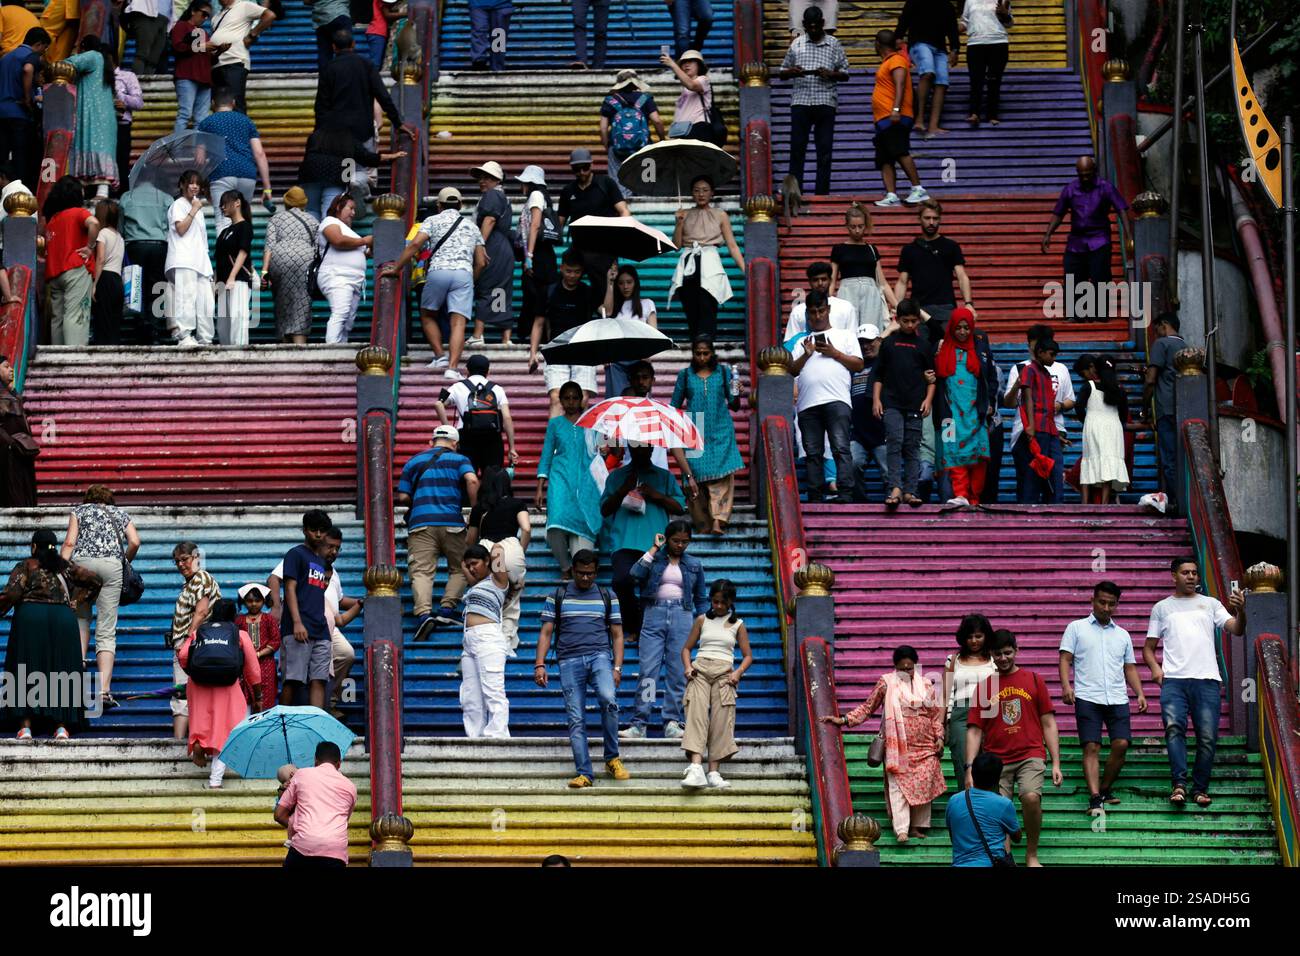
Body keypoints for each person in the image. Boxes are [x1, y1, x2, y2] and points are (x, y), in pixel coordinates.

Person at [1143, 556, 1246, 809]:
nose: (1191, 577)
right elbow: (1148, 648)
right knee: (1174, 730)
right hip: (1174, 682)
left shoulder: (1210, 604)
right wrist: (1157, 671)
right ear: (1173, 576)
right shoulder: (1162, 608)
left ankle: (1199, 789)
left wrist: (1241, 610)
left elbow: (1237, 629)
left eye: (1194, 573)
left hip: (1207, 680)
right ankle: (1179, 784)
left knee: (1208, 737)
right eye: (1185, 572)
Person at [825, 645, 947, 842]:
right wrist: (845, 720)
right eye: (901, 668)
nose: (905, 672)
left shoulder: (926, 685)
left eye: (909, 668)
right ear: (895, 667)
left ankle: (917, 826)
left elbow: (934, 716)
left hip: (924, 745)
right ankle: (901, 830)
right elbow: (868, 706)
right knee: (897, 786)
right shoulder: (886, 682)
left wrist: (939, 737)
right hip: (896, 745)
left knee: (923, 784)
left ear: (915, 666)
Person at [966, 629, 1062, 867]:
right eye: (998, 654)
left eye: (1008, 652)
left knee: (1030, 797)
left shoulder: (1033, 680)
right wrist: (969, 767)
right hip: (996, 760)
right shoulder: (986, 687)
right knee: (998, 809)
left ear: (1016, 651)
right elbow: (975, 730)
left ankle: (1031, 854)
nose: (1003, 658)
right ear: (991, 655)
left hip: (1030, 753)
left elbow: (1048, 722)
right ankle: (1006, 859)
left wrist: (1056, 761)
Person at [534, 548, 629, 788]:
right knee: (576, 718)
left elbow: (617, 635)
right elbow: (546, 633)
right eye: (580, 573)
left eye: (590, 573)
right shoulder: (557, 595)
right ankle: (585, 773)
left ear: (596, 572)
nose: (585, 578)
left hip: (600, 658)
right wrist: (540, 664)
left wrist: (617, 667)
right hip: (568, 661)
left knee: (609, 701)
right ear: (572, 571)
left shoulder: (608, 596)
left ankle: (612, 758)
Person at [2, 527, 100, 740]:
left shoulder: (27, 566)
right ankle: (61, 727)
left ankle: (25, 727)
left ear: (34, 547)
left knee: (25, 669)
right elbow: (95, 580)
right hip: (63, 620)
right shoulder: (66, 567)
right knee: (62, 670)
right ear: (55, 548)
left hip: (30, 620)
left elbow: (12, 593)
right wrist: (75, 602)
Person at [1060, 580, 1147, 814]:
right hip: (1088, 696)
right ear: (1092, 600)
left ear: (1117, 605)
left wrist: (1139, 693)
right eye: (1102, 602)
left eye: (1111, 604)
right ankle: (1095, 797)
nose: (1106, 608)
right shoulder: (1076, 628)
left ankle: (1105, 788)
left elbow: (1129, 667)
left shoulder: (1123, 635)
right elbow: (1065, 659)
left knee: (1121, 744)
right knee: (1092, 746)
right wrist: (1066, 686)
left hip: (1118, 697)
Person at [381, 186, 486, 377]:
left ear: (439, 205)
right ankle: (452, 369)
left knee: (428, 314)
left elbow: (414, 245)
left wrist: (397, 267)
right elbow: (480, 261)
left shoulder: (431, 220)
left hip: (438, 271)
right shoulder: (472, 226)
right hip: (463, 273)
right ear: (460, 204)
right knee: (458, 323)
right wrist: (471, 279)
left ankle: (440, 355)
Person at [620, 520, 709, 740]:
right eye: (676, 541)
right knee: (648, 671)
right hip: (653, 614)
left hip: (682, 616)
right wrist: (654, 548)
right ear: (667, 539)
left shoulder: (694, 564)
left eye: (685, 542)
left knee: (677, 672)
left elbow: (701, 598)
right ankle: (640, 723)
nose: (680, 545)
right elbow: (634, 574)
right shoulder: (654, 559)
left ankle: (671, 721)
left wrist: (706, 624)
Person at [396, 424, 480, 640]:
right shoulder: (460, 459)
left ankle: (424, 615)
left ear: (431, 441)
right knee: (462, 567)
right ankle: (446, 609)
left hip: (421, 522)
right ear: (455, 443)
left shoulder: (414, 461)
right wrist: (475, 510)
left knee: (422, 571)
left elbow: (403, 498)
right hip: (452, 521)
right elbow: (471, 479)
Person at [59, 484, 138, 707]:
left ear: (88, 498)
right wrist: (124, 562)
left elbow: (69, 542)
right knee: (106, 629)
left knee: (81, 618)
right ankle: (104, 691)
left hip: (83, 566)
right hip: (112, 567)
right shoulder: (119, 513)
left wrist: (62, 569)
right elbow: (135, 542)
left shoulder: (79, 511)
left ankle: (77, 674)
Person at [600, 444, 687, 646]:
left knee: (652, 587)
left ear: (651, 450)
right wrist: (623, 490)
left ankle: (645, 630)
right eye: (636, 447)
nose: (640, 451)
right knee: (622, 581)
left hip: (655, 542)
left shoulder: (664, 477)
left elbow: (680, 507)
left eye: (645, 448)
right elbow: (605, 509)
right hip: (624, 541)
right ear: (630, 447)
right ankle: (633, 625)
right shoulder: (617, 476)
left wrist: (657, 495)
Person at [177, 597, 260, 787]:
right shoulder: (238, 634)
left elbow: (182, 655)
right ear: (234, 616)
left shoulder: (200, 632)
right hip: (227, 686)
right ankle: (215, 781)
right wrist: (258, 696)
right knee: (229, 731)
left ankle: (198, 741)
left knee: (203, 720)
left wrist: (194, 673)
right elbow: (253, 670)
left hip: (198, 685)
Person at [312, 27, 417, 172]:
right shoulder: (366, 65)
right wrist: (397, 122)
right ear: (354, 44)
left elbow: (321, 106)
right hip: (363, 132)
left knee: (343, 176)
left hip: (337, 135)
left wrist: (319, 136)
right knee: (361, 174)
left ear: (334, 47)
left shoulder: (328, 69)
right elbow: (383, 96)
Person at [680, 578, 751, 788]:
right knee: (696, 715)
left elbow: (748, 656)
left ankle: (713, 773)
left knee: (722, 720)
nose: (718, 606)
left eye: (722, 602)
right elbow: (686, 649)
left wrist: (738, 672)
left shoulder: (738, 624)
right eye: (715, 601)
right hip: (700, 671)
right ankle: (695, 768)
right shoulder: (702, 620)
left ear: (730, 602)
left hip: (724, 675)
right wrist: (687, 667)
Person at [794, 290, 863, 503]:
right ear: (807, 313)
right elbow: (792, 370)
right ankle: (814, 497)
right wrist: (807, 355)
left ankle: (845, 494)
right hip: (807, 405)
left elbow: (859, 364)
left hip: (838, 401)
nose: (817, 316)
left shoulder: (846, 336)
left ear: (829, 310)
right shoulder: (801, 342)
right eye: (813, 312)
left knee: (841, 448)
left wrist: (835, 353)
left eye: (821, 311)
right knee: (812, 453)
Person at [1041, 156, 1128, 319]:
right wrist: (1048, 234)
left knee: (1100, 277)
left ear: (1094, 171)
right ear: (1077, 173)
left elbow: (1121, 209)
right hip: (1077, 241)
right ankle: (1076, 313)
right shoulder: (1070, 189)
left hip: (1099, 239)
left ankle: (1100, 313)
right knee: (1072, 276)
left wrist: (1129, 236)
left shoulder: (1106, 187)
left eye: (1088, 174)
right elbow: (1058, 213)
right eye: (1082, 175)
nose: (1085, 178)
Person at [672, 335, 742, 534]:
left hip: (720, 429)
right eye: (698, 353)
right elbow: (675, 406)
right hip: (695, 429)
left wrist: (738, 393)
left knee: (721, 480)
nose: (702, 357)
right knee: (696, 477)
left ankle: (718, 520)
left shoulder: (723, 373)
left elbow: (735, 406)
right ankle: (704, 523)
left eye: (706, 353)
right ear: (693, 354)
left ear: (712, 353)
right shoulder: (685, 375)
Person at [778, 6, 849, 197]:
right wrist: (792, 72)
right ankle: (795, 194)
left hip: (825, 102)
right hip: (801, 103)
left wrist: (830, 74)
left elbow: (845, 74)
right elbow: (782, 72)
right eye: (809, 27)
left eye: (817, 26)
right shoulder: (797, 44)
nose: (814, 30)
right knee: (797, 150)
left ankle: (822, 195)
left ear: (823, 24)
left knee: (824, 152)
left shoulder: (834, 44)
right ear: (803, 26)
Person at [536, 381, 603, 578]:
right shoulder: (555, 424)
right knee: (555, 525)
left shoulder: (593, 423)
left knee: (583, 550)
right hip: (560, 481)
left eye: (575, 397)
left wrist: (608, 447)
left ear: (582, 399)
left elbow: (609, 451)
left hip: (587, 484)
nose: (572, 401)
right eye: (567, 398)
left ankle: (577, 571)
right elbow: (546, 454)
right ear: (561, 400)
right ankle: (565, 567)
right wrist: (540, 487)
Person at [1002, 323, 1074, 501]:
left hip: (1052, 430)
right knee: (1029, 482)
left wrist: (1059, 408)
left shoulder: (1057, 370)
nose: (1035, 347)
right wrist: (1031, 427)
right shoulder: (1022, 368)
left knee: (1053, 480)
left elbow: (1071, 399)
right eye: (1033, 343)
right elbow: (1013, 402)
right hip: (1027, 431)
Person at [872, 299, 932, 507]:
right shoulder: (889, 343)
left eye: (914, 321)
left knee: (912, 447)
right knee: (894, 443)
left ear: (918, 321)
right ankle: (895, 488)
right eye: (905, 321)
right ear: (897, 320)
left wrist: (928, 399)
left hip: (915, 403)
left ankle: (910, 490)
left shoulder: (924, 345)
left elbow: (932, 376)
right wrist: (876, 400)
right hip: (891, 403)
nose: (909, 325)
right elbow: (878, 374)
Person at [669, 175, 744, 341]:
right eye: (696, 191)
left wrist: (745, 269)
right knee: (690, 304)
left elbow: (732, 245)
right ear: (691, 194)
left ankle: (707, 342)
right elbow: (676, 246)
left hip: (710, 262)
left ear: (712, 193)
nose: (701, 194)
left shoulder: (720, 215)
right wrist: (679, 223)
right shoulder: (684, 214)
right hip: (688, 262)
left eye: (705, 190)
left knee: (708, 304)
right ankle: (695, 342)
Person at [933, 307, 992, 506]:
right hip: (948, 415)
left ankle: (974, 497)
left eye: (967, 328)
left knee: (978, 456)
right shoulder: (941, 351)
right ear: (951, 328)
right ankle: (960, 495)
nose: (963, 332)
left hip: (975, 412)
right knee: (951, 452)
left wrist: (989, 403)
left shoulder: (980, 351)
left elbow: (990, 380)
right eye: (958, 328)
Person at [556, 146, 629, 307]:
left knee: (605, 291)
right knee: (566, 286)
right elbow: (558, 224)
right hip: (578, 250)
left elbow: (624, 211)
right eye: (577, 169)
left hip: (603, 251)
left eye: (585, 168)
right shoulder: (568, 191)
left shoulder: (605, 184)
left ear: (592, 165)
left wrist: (622, 238)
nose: (581, 172)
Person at [529, 248, 598, 416]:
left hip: (583, 350)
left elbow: (607, 312)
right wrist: (533, 353)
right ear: (561, 268)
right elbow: (538, 324)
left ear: (582, 271)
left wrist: (610, 283)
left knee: (582, 399)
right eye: (569, 271)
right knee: (556, 398)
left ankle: (580, 441)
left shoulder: (588, 292)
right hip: (556, 349)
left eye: (577, 272)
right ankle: (554, 441)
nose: (572, 275)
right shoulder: (549, 291)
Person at [456, 542, 514, 737]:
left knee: (493, 690)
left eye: (475, 563)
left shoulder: (498, 581)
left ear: (487, 561)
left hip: (488, 638)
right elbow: (463, 566)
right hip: (469, 642)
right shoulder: (475, 585)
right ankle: (475, 736)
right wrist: (467, 563)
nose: (471, 568)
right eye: (469, 565)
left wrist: (491, 546)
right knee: (470, 696)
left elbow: (498, 549)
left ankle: (497, 735)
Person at [466, 466, 528, 649]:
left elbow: (470, 540)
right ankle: (506, 644)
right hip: (511, 548)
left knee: (489, 597)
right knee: (511, 601)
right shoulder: (518, 503)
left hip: (487, 550)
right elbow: (526, 528)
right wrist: (520, 550)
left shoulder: (479, 509)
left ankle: (487, 642)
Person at [893, 200, 973, 337]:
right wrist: (897, 309)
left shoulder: (951, 246)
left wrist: (969, 303)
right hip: (919, 311)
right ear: (919, 219)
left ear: (940, 219)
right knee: (922, 352)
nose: (931, 222)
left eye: (935, 218)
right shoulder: (909, 250)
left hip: (946, 309)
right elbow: (902, 281)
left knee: (946, 351)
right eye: (927, 218)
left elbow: (962, 276)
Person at [198, 89, 274, 232]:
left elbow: (199, 159)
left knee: (223, 222)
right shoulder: (246, 121)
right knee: (242, 219)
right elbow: (259, 153)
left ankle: (226, 254)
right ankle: (243, 253)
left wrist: (203, 185)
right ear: (233, 103)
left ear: (213, 104)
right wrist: (267, 188)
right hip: (247, 173)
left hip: (221, 172)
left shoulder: (206, 123)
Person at [278, 516, 333, 709]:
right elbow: (290, 588)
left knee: (319, 680)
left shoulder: (320, 561)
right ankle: (282, 723)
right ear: (304, 530)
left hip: (320, 629)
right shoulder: (295, 554)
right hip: (298, 628)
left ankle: (316, 723)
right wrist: (297, 622)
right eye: (313, 530)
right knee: (293, 680)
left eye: (322, 531)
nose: (318, 534)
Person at [274, 741, 357, 867]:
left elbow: (279, 815)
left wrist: (297, 825)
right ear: (339, 764)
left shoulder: (301, 774)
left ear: (315, 761)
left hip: (303, 847)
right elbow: (344, 819)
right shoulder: (351, 787)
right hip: (335, 852)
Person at [169, 540, 221, 740]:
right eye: (177, 561)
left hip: (193, 646)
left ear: (196, 557)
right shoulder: (191, 583)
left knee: (183, 693)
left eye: (185, 559)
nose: (181, 564)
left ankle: (183, 742)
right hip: (190, 645)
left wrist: (188, 640)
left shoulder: (201, 578)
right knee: (184, 693)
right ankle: (183, 741)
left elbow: (201, 611)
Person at [870, 30, 928, 208]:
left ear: (877, 44)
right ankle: (891, 194)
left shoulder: (896, 60)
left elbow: (901, 83)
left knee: (900, 151)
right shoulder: (887, 62)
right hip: (883, 119)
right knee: (884, 158)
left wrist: (896, 109)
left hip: (894, 117)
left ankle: (918, 189)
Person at [435, 353, 518, 475]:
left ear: (467, 370)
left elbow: (438, 404)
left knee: (467, 476)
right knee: (492, 479)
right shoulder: (497, 389)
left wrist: (449, 429)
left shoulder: (457, 387)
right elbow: (507, 418)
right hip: (492, 439)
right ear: (488, 371)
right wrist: (512, 448)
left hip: (466, 437)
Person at [43, 177, 101, 348]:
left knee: (58, 318)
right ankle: (73, 357)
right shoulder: (78, 212)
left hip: (55, 274)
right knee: (76, 314)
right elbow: (94, 223)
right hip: (75, 268)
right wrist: (90, 248)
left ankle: (58, 354)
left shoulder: (53, 219)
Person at [940, 614, 995, 785]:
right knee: (964, 768)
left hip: (990, 714)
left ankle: (988, 810)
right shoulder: (953, 659)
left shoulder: (995, 659)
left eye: (978, 636)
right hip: (960, 716)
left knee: (989, 768)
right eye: (969, 636)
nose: (974, 641)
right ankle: (966, 808)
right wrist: (940, 727)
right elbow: (944, 695)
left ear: (986, 636)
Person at [262, 186, 320, 343]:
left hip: (280, 258)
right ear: (304, 202)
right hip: (305, 259)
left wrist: (264, 271)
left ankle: (284, 343)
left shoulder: (276, 219)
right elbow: (317, 249)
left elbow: (269, 246)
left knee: (282, 301)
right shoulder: (313, 220)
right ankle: (300, 347)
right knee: (302, 302)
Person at [894, 0, 959, 138]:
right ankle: (919, 119)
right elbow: (904, 19)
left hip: (940, 48)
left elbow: (952, 28)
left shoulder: (947, 5)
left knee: (942, 83)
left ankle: (933, 126)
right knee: (928, 73)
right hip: (919, 42)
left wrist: (955, 49)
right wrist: (898, 37)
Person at [467, 160, 515, 347]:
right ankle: (506, 338)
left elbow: (489, 221)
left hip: (492, 246)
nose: (482, 181)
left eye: (488, 178)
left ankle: (478, 335)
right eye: (481, 178)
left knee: (486, 287)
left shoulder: (492, 195)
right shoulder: (501, 195)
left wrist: (479, 245)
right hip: (502, 248)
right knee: (501, 290)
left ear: (497, 180)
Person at [1013, 337, 1066, 503]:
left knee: (1055, 469)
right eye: (1052, 354)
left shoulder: (1046, 373)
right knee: (1035, 470)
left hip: (1050, 428)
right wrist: (1029, 425)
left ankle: (1056, 505)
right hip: (1037, 425)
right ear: (1040, 353)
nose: (1054, 358)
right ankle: (1030, 507)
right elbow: (1027, 398)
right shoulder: (1029, 370)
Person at [165, 170, 214, 347]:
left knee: (206, 302)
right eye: (191, 182)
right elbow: (181, 229)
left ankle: (205, 338)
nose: (194, 186)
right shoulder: (178, 205)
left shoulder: (198, 208)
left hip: (200, 261)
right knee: (186, 298)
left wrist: (208, 266)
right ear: (181, 185)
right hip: (184, 258)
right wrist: (193, 210)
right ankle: (184, 336)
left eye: (197, 183)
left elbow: (202, 239)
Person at [945, 752, 1020, 866]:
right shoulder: (1004, 804)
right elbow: (1017, 837)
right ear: (997, 778)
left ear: (973, 773)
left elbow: (953, 835)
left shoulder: (953, 801)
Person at [65, 35, 118, 196]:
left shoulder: (93, 56)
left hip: (93, 113)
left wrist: (74, 53)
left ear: (83, 47)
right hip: (102, 116)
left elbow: (66, 64)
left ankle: (99, 191)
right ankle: (100, 191)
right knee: (97, 146)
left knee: (90, 143)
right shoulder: (102, 60)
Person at [1074, 353, 1129, 503]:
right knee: (1108, 465)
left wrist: (1086, 421)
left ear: (1094, 367)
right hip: (1113, 427)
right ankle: (1104, 504)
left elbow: (1078, 406)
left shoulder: (1089, 386)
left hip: (1093, 424)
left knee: (1088, 460)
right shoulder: (1118, 389)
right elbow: (1124, 414)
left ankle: (1085, 504)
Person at [830, 203, 895, 332]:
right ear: (847, 226)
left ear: (865, 226)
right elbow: (832, 280)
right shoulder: (839, 249)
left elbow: (882, 282)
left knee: (871, 333)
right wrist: (828, 300)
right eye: (853, 227)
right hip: (847, 292)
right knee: (847, 332)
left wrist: (898, 305)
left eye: (861, 226)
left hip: (871, 294)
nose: (857, 230)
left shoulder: (871, 249)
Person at [1144, 311, 1185, 509]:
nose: (1156, 333)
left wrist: (1145, 407)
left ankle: (1176, 502)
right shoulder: (1185, 346)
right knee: (1180, 456)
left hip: (1165, 407)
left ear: (1164, 324)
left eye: (1157, 328)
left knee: (1169, 458)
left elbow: (1151, 379)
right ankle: (1183, 499)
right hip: (1184, 408)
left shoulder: (1162, 344)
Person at [600, 70, 664, 197]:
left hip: (618, 150)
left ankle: (623, 212)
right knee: (647, 185)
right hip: (645, 149)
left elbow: (602, 128)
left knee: (619, 190)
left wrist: (608, 146)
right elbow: (657, 121)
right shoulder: (646, 99)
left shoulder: (610, 101)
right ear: (637, 83)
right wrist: (662, 139)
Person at [316, 193, 370, 344]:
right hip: (337, 275)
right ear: (339, 207)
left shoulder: (350, 232)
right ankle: (332, 351)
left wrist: (371, 245)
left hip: (354, 279)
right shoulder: (330, 221)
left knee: (348, 320)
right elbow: (337, 241)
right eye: (351, 208)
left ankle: (342, 347)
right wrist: (365, 240)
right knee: (341, 312)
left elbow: (364, 253)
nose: (353, 213)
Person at [318, 526, 361, 716]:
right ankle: (322, 706)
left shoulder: (333, 572)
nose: (334, 552)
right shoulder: (305, 561)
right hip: (315, 625)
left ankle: (331, 701)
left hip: (332, 624)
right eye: (330, 547)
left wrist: (365, 601)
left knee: (346, 654)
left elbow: (340, 600)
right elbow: (275, 578)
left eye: (337, 548)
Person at [516, 164, 560, 348]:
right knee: (538, 297)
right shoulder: (543, 196)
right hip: (542, 253)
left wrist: (530, 256)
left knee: (535, 296)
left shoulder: (536, 195)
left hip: (538, 254)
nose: (521, 186)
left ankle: (531, 337)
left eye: (524, 182)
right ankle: (540, 337)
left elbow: (534, 225)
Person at [0, 28, 48, 187]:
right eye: (44, 49)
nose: (43, 54)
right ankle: (20, 191)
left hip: (2, 112)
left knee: (2, 155)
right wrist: (28, 99)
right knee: (21, 156)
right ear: (38, 44)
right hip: (19, 113)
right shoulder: (31, 56)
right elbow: (28, 69)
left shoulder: (5, 58)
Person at [208, 0, 276, 113]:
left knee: (236, 103)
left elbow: (270, 15)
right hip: (217, 64)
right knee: (218, 105)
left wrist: (252, 35)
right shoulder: (216, 16)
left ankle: (240, 130)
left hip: (235, 61)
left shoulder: (244, 5)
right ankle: (221, 130)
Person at [602, 263, 658, 398]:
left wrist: (647, 356)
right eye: (621, 283)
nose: (625, 286)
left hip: (640, 360)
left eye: (629, 282)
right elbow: (607, 311)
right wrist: (610, 282)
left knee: (640, 405)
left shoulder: (647, 304)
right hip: (616, 361)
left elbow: (654, 335)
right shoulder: (613, 307)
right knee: (616, 403)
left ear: (635, 283)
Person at [847, 323, 886, 498]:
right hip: (858, 431)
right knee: (853, 464)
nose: (866, 346)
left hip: (882, 430)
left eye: (870, 342)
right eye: (862, 342)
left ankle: (895, 511)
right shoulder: (855, 365)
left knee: (888, 473)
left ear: (879, 340)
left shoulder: (887, 363)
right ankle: (860, 503)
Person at [960, 0, 1012, 127]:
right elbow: (965, 21)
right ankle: (974, 113)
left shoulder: (1002, 0)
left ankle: (992, 115)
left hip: (998, 42)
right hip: (975, 43)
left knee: (994, 80)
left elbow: (1009, 23)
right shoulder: (969, 1)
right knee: (975, 79)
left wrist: (1005, 14)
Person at [212, 189, 253, 345]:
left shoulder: (245, 227)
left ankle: (240, 356)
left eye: (225, 203)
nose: (222, 207)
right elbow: (219, 259)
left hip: (238, 281)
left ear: (237, 203)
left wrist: (232, 277)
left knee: (238, 318)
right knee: (223, 325)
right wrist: (216, 283)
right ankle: (226, 358)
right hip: (223, 283)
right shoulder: (224, 232)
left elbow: (243, 254)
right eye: (221, 204)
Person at [784, 260, 857, 342]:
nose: (820, 283)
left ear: (830, 280)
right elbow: (790, 343)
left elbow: (853, 340)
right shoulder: (798, 311)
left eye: (824, 279)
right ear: (809, 282)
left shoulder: (846, 307)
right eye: (815, 280)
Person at [659, 49, 721, 146]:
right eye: (684, 62)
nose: (686, 65)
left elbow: (691, 85)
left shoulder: (703, 80)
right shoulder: (684, 90)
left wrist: (672, 64)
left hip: (698, 129)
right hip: (682, 131)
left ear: (699, 65)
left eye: (691, 61)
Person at [171, 1, 213, 134]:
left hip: (204, 78)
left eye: (208, 16)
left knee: (201, 119)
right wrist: (203, 46)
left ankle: (198, 154)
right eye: (204, 14)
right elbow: (178, 47)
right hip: (187, 75)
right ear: (193, 11)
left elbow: (207, 57)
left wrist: (219, 50)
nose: (205, 18)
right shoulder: (181, 26)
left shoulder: (203, 33)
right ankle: (176, 151)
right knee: (185, 114)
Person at [236, 582, 280, 712]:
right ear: (244, 602)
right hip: (245, 666)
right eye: (249, 601)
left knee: (266, 697)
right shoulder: (239, 621)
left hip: (266, 665)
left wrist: (259, 654)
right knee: (245, 696)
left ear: (264, 601)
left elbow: (276, 641)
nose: (254, 604)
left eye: (257, 600)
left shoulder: (269, 619)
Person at [0, 352, 37, 506]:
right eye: (6, 367)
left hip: (20, 453)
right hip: (9, 454)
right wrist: (11, 444)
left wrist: (12, 390)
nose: (11, 370)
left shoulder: (10, 394)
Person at [90, 198, 125, 345]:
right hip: (117, 280)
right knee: (114, 321)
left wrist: (95, 284)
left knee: (102, 319)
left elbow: (100, 259)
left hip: (105, 278)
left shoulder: (103, 233)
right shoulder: (120, 237)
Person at [112, 61, 143, 198]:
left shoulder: (127, 76)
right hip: (101, 125)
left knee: (121, 162)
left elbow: (138, 103)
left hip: (121, 124)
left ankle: (122, 195)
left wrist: (121, 98)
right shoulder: (95, 77)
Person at [123, 0, 169, 74]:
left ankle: (147, 83)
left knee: (154, 59)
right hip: (144, 12)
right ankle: (137, 83)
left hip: (165, 17)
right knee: (142, 54)